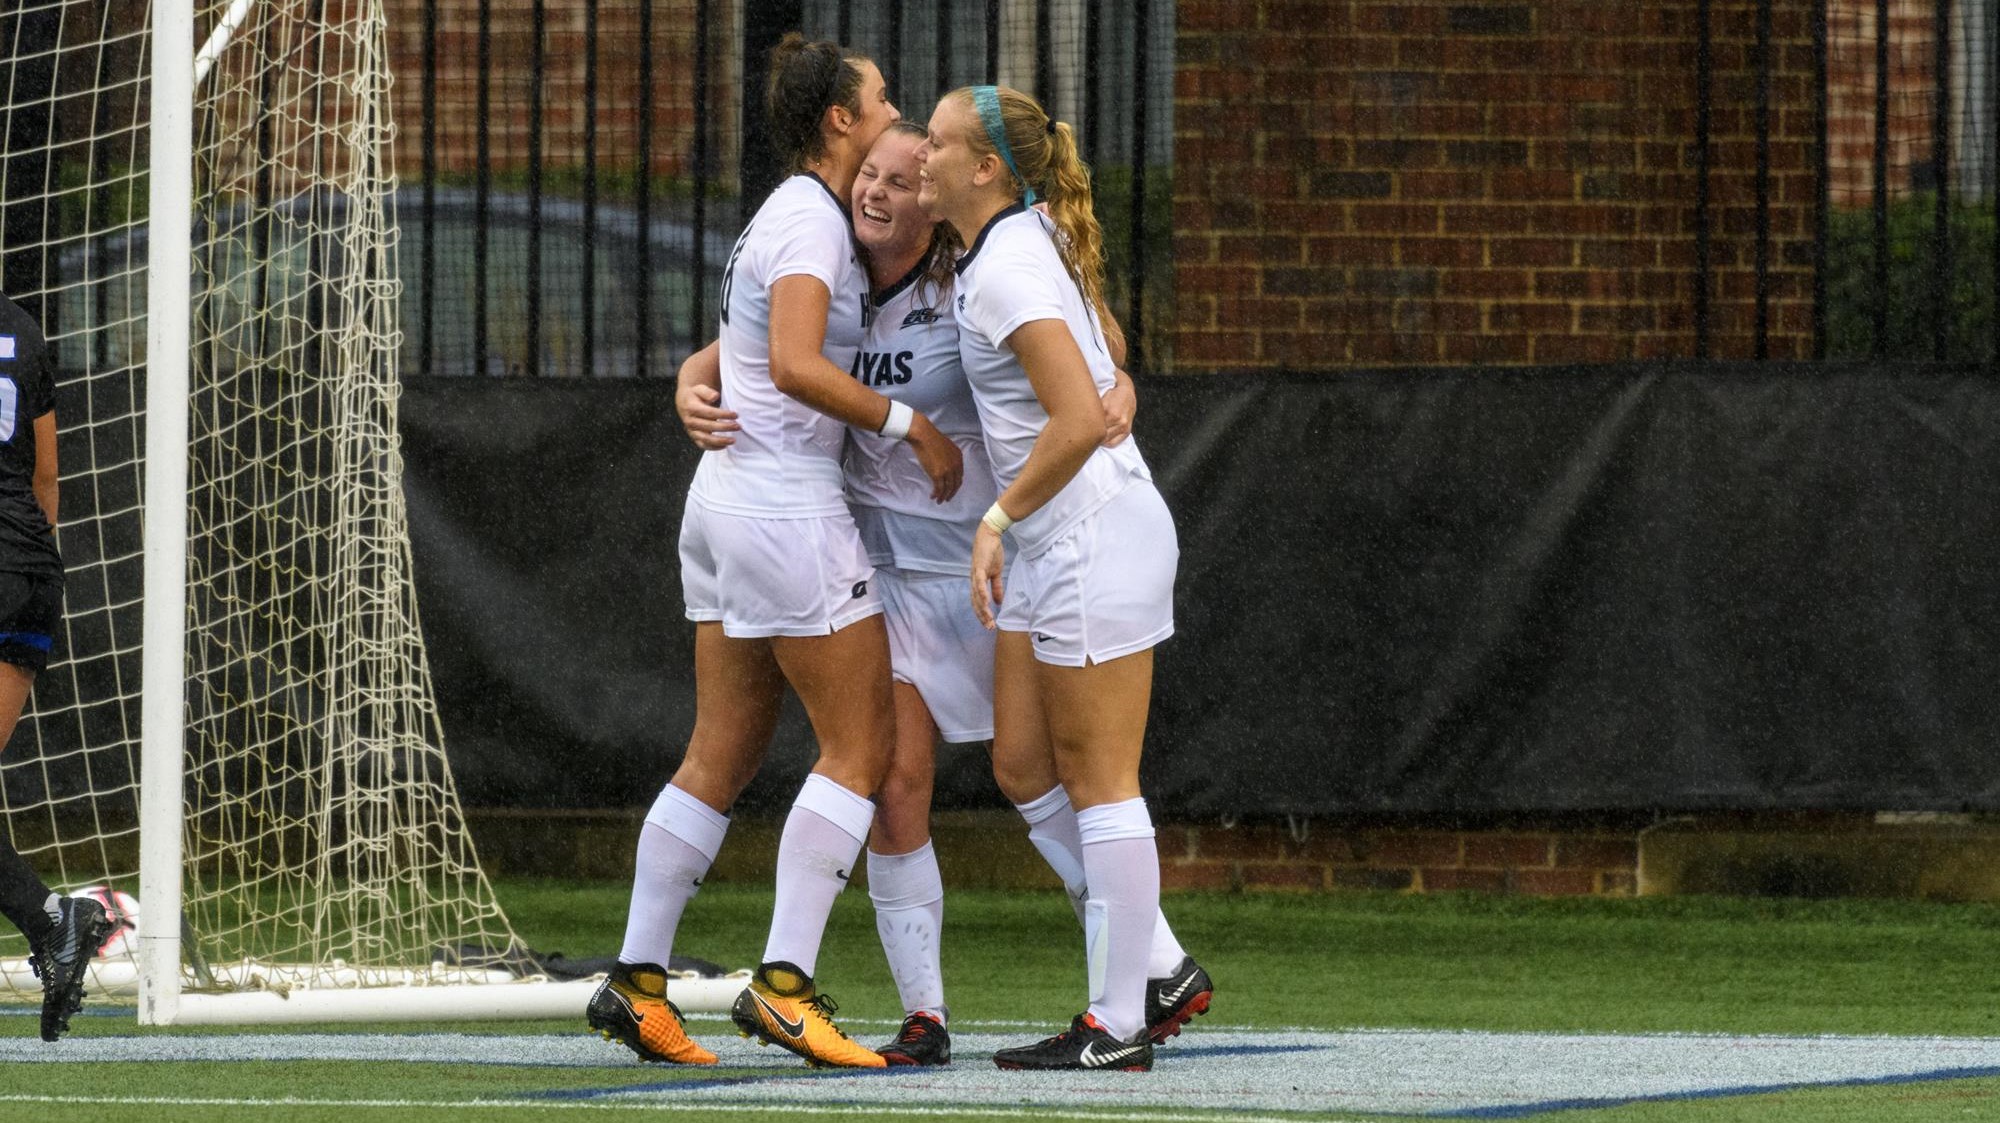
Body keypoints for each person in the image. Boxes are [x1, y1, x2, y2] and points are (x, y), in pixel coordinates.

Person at [677, 121, 1207, 1068]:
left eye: (901, 175)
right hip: (882, 567)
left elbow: (1097, 345)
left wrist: (1115, 379)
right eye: (868, 175)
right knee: (894, 782)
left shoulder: (975, 270)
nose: (879, 191)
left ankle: (1148, 970)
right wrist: (691, 377)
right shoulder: (825, 265)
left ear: (935, 193)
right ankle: (926, 1017)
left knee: (1040, 773)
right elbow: (746, 352)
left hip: (987, 566)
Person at [587, 34, 960, 1071]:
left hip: (724, 507)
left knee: (723, 750)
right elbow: (794, 364)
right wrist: (909, 426)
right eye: (879, 101)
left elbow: (751, 350)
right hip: (784, 510)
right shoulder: (806, 220)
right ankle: (784, 986)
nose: (891, 113)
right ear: (839, 121)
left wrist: (693, 371)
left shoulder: (796, 213)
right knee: (863, 746)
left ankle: (636, 981)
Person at [916, 84, 1192, 1071]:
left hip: (1091, 536)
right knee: (1023, 765)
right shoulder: (1016, 239)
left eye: (938, 142)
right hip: (1059, 541)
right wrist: (1111, 377)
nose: (920, 151)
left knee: (1102, 781)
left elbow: (1076, 417)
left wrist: (995, 518)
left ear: (986, 167)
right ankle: (1157, 960)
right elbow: (1105, 355)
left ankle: (1119, 1022)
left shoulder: (1005, 264)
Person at [0, 293, 113, 1043]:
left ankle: (52, 918)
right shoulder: (24, 328)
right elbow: (47, 479)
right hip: (28, 570)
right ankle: (53, 920)